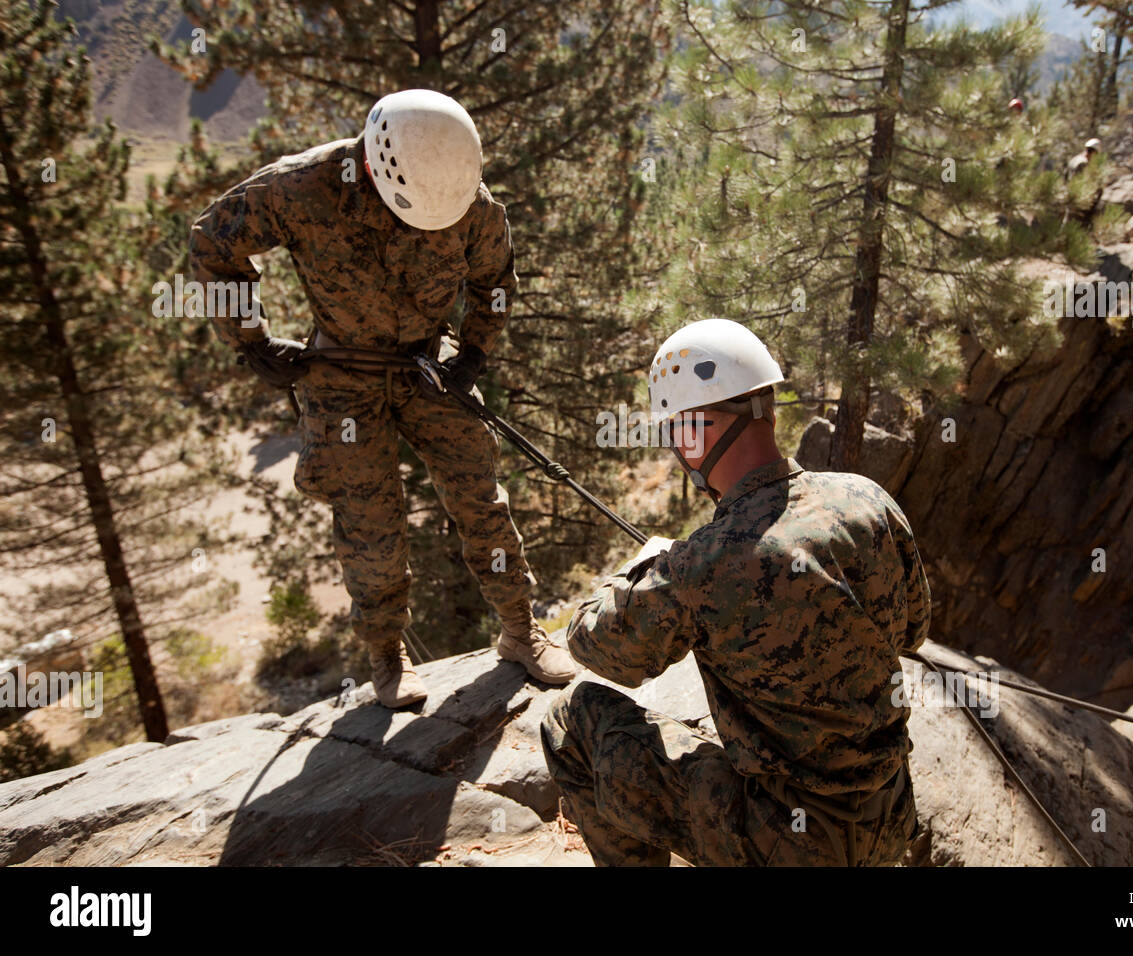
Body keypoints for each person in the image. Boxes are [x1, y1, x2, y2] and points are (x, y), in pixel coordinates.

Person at [190, 89, 577, 708]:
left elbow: (496, 281)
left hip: (431, 363)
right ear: (376, 164)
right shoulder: (304, 186)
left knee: (480, 497)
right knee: (370, 521)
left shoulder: (465, 197)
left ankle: (520, 629)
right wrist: (248, 339)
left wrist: (473, 352)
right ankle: (387, 653)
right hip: (341, 374)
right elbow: (214, 240)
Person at [541, 319, 932, 866]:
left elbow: (595, 646)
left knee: (571, 720)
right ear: (766, 406)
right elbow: (914, 629)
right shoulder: (866, 499)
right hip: (889, 818)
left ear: (694, 433)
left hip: (786, 845)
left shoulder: (701, 563)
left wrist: (645, 570)